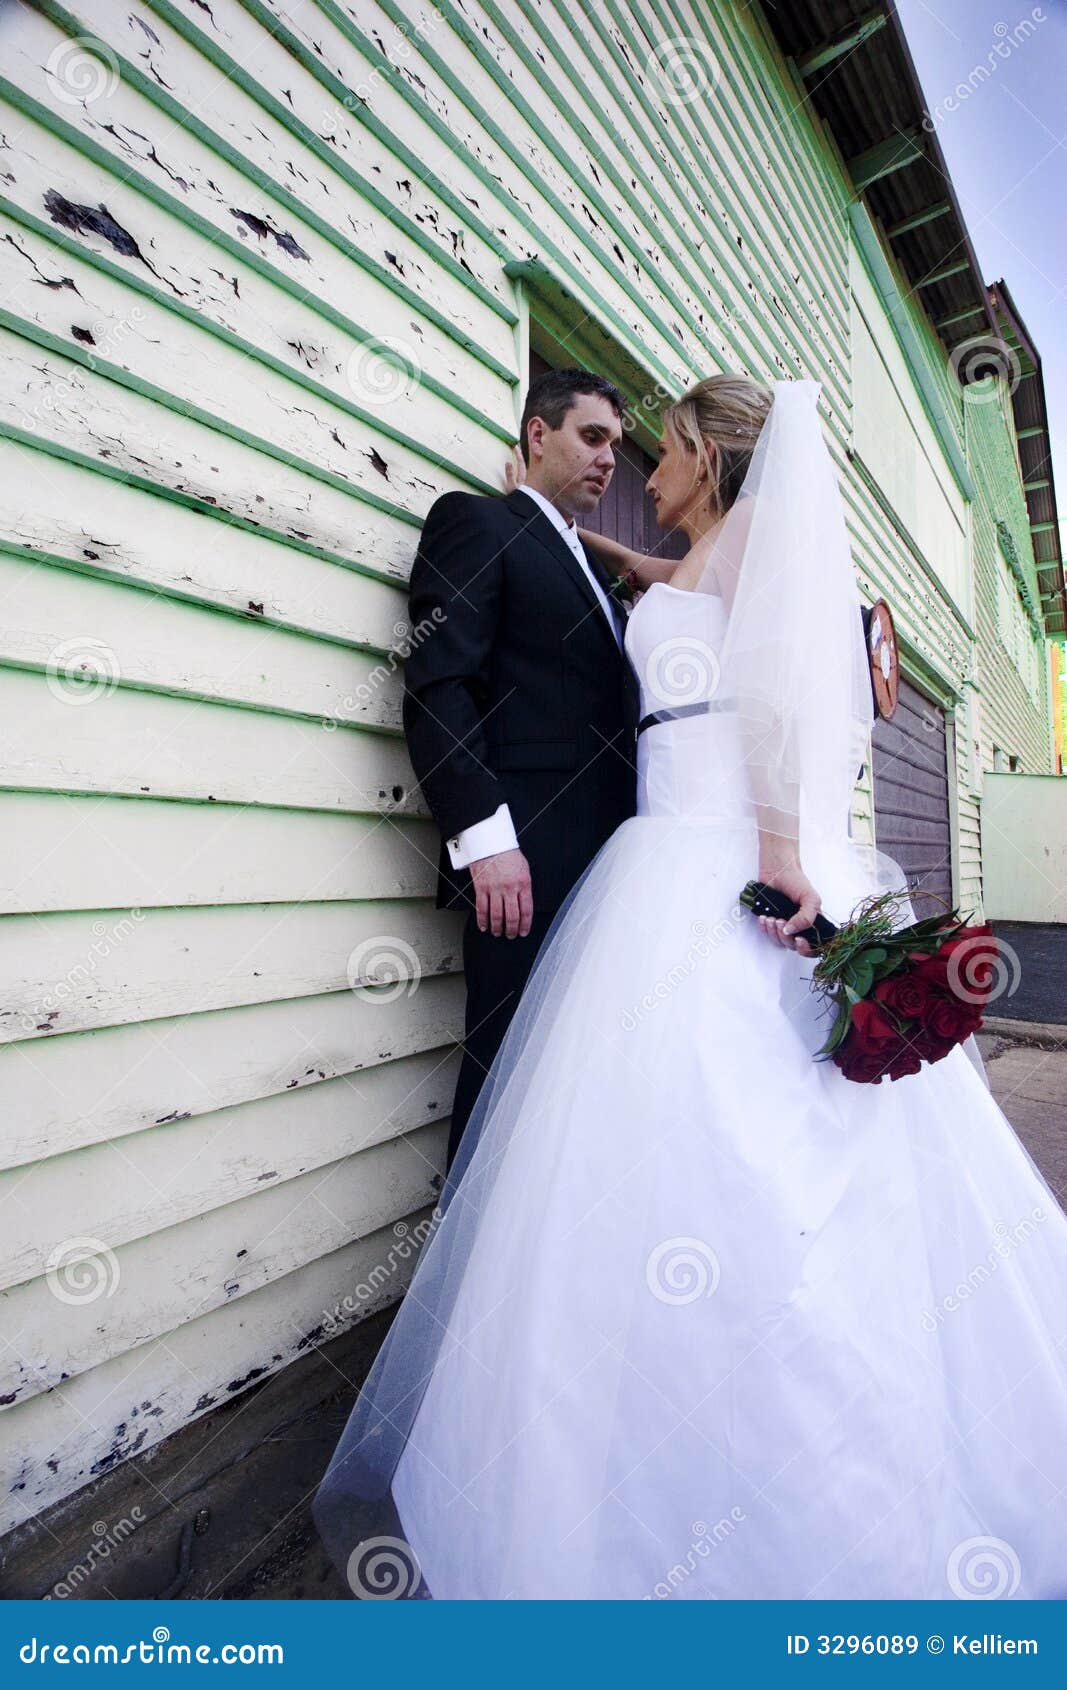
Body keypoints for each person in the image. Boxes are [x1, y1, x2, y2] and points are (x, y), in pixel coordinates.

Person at [315, 375, 1067, 1600]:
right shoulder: (709, 551)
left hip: (716, 858)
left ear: (707, 460)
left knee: (739, 1141)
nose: (641, 472)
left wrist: (777, 853)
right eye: (614, 445)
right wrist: (601, 549)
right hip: (657, 857)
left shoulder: (755, 535)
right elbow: (679, 588)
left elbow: (769, 700)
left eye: (658, 449)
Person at [402, 367, 639, 1169]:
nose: (608, 459)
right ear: (537, 434)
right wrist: (485, 842)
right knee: (505, 1063)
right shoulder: (476, 523)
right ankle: (465, 1248)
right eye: (591, 436)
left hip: (611, 868)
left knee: (580, 1075)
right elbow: (441, 684)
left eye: (616, 445)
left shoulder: (593, 571)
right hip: (522, 860)